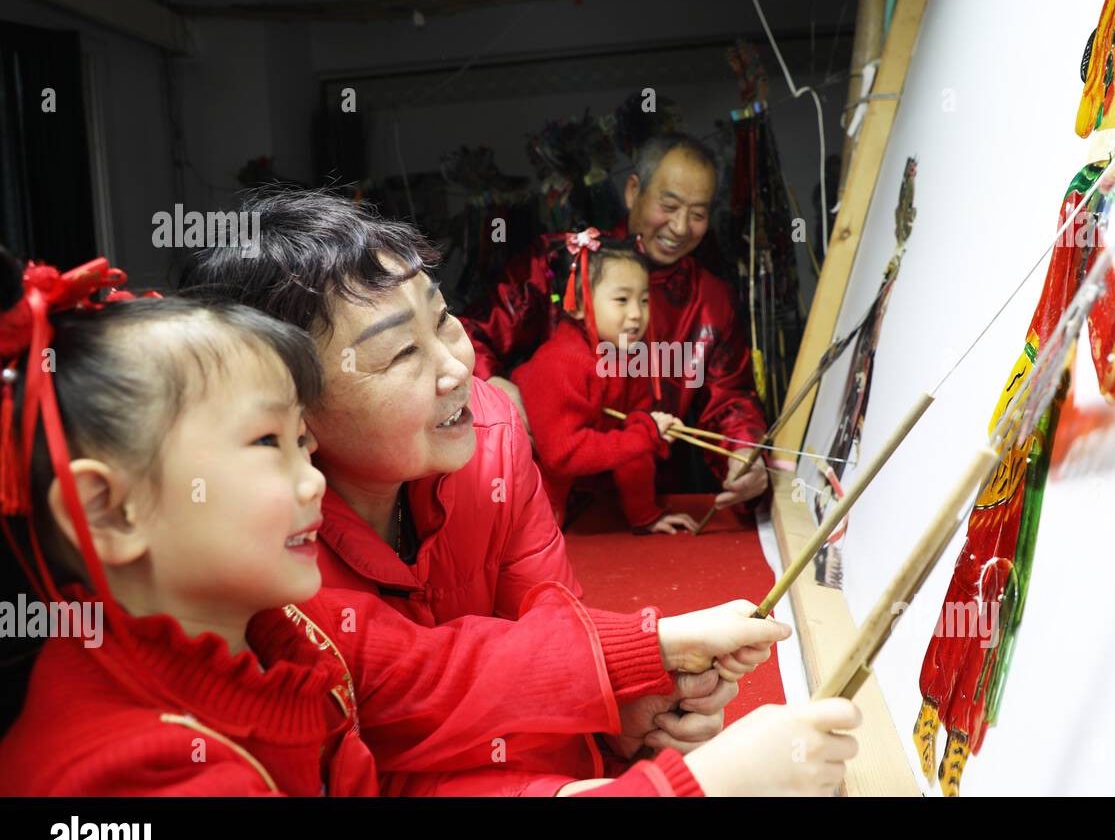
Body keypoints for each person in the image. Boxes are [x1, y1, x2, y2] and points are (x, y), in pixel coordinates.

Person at [0, 252, 862, 796]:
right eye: (270, 442)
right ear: (112, 508)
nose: (308, 481)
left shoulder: (282, 635)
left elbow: (452, 672)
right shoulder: (131, 772)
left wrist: (639, 677)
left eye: (443, 319)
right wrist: (688, 787)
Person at [180, 189, 735, 786]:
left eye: (443, 318)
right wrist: (641, 666)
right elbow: (383, 726)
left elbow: (546, 633)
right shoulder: (264, 546)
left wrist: (612, 719)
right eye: (400, 353)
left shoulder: (491, 435)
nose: (457, 367)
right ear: (288, 409)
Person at [464, 133, 770, 510]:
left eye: (698, 214)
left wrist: (744, 453)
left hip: (647, 498)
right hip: (545, 494)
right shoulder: (565, 263)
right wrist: (492, 385)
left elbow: (730, 400)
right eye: (669, 205)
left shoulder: (711, 299)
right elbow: (467, 332)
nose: (679, 227)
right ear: (632, 192)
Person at [514, 235, 697, 534]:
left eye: (644, 299)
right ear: (578, 304)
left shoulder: (628, 359)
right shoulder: (560, 362)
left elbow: (634, 444)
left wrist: (645, 515)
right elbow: (563, 455)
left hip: (572, 507)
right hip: (522, 503)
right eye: (622, 300)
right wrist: (644, 434)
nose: (637, 313)